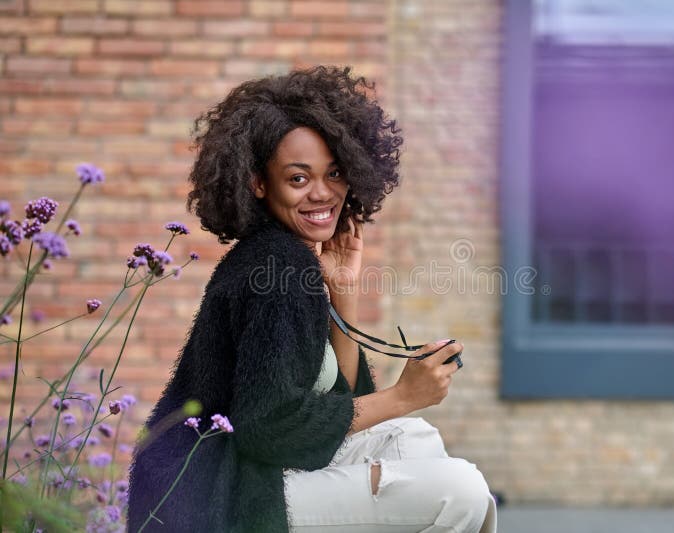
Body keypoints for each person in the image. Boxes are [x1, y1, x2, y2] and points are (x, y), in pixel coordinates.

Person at [127, 65, 497, 533]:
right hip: (218, 501)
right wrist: (404, 395)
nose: (323, 193)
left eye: (335, 173)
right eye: (298, 179)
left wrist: (343, 292)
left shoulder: (283, 258)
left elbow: (342, 403)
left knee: (411, 439)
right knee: (458, 489)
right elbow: (269, 428)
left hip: (251, 476)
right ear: (259, 183)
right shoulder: (279, 267)